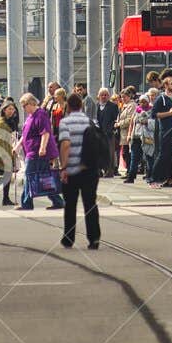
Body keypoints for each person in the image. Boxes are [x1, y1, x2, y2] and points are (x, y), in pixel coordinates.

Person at [56, 93, 102, 249]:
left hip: (72, 171)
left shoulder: (65, 122)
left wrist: (63, 167)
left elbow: (66, 145)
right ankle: (94, 238)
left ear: (68, 106)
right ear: (81, 106)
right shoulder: (91, 122)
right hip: (90, 170)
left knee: (70, 205)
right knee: (90, 204)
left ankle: (68, 238)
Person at [16, 93, 64, 211]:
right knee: (44, 177)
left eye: (24, 105)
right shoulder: (30, 116)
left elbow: (45, 132)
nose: (23, 108)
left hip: (38, 152)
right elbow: (25, 134)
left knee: (30, 176)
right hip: (31, 152)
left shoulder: (41, 114)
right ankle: (58, 201)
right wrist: (17, 146)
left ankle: (26, 204)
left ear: (31, 103)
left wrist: (42, 148)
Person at [148, 73, 172, 187]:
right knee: (163, 154)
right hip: (165, 130)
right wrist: (169, 113)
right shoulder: (161, 98)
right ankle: (153, 178)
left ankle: (171, 179)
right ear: (166, 85)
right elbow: (154, 114)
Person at [93, 87, 120, 177]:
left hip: (109, 133)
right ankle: (99, 170)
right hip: (98, 133)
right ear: (98, 96)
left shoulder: (113, 106)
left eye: (106, 95)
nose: (104, 96)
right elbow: (94, 118)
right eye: (102, 95)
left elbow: (116, 119)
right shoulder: (96, 106)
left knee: (109, 152)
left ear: (108, 96)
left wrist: (111, 127)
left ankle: (109, 171)